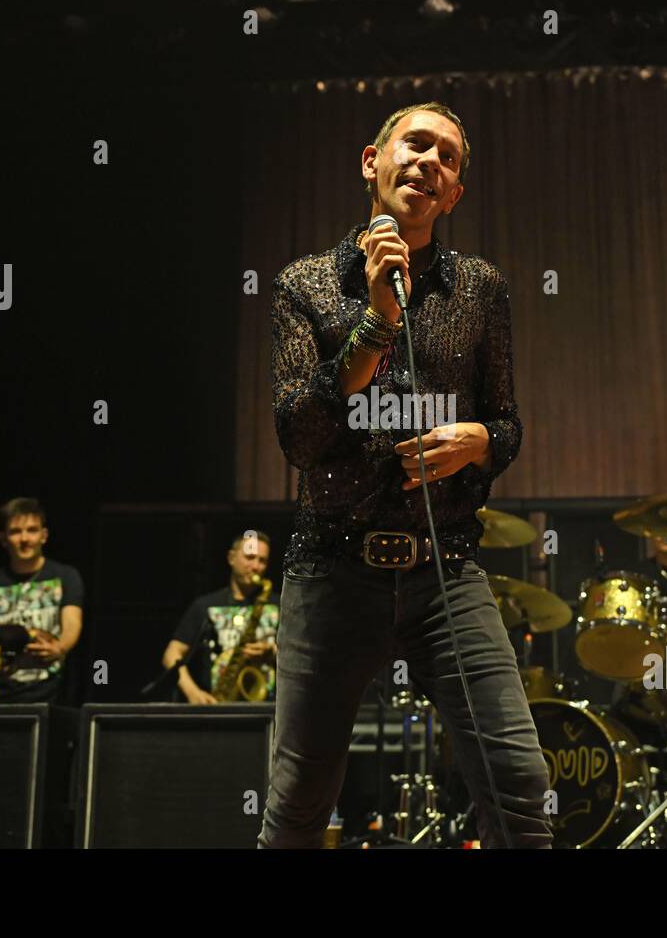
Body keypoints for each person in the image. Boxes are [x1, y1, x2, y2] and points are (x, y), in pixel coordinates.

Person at [262, 102, 551, 848]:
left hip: (444, 569)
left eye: (448, 158)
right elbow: (299, 434)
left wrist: (481, 440)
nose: (429, 162)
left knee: (520, 784)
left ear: (454, 195)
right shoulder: (306, 285)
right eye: (415, 145)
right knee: (298, 800)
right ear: (372, 160)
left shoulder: (480, 289)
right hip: (330, 567)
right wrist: (378, 323)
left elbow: (510, 425)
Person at [0, 498, 83, 704]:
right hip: (3, 692)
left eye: (32, 530)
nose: (24, 538)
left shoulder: (66, 576)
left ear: (44, 535)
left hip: (53, 690)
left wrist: (60, 648)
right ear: (3, 538)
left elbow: (72, 622)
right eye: (15, 532)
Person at [161, 531, 279, 704]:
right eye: (250, 557)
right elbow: (171, 654)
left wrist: (273, 651)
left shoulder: (280, 604)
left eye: (263, 561)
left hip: (269, 710)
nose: (256, 566)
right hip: (218, 704)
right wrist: (192, 692)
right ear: (231, 558)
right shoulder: (204, 605)